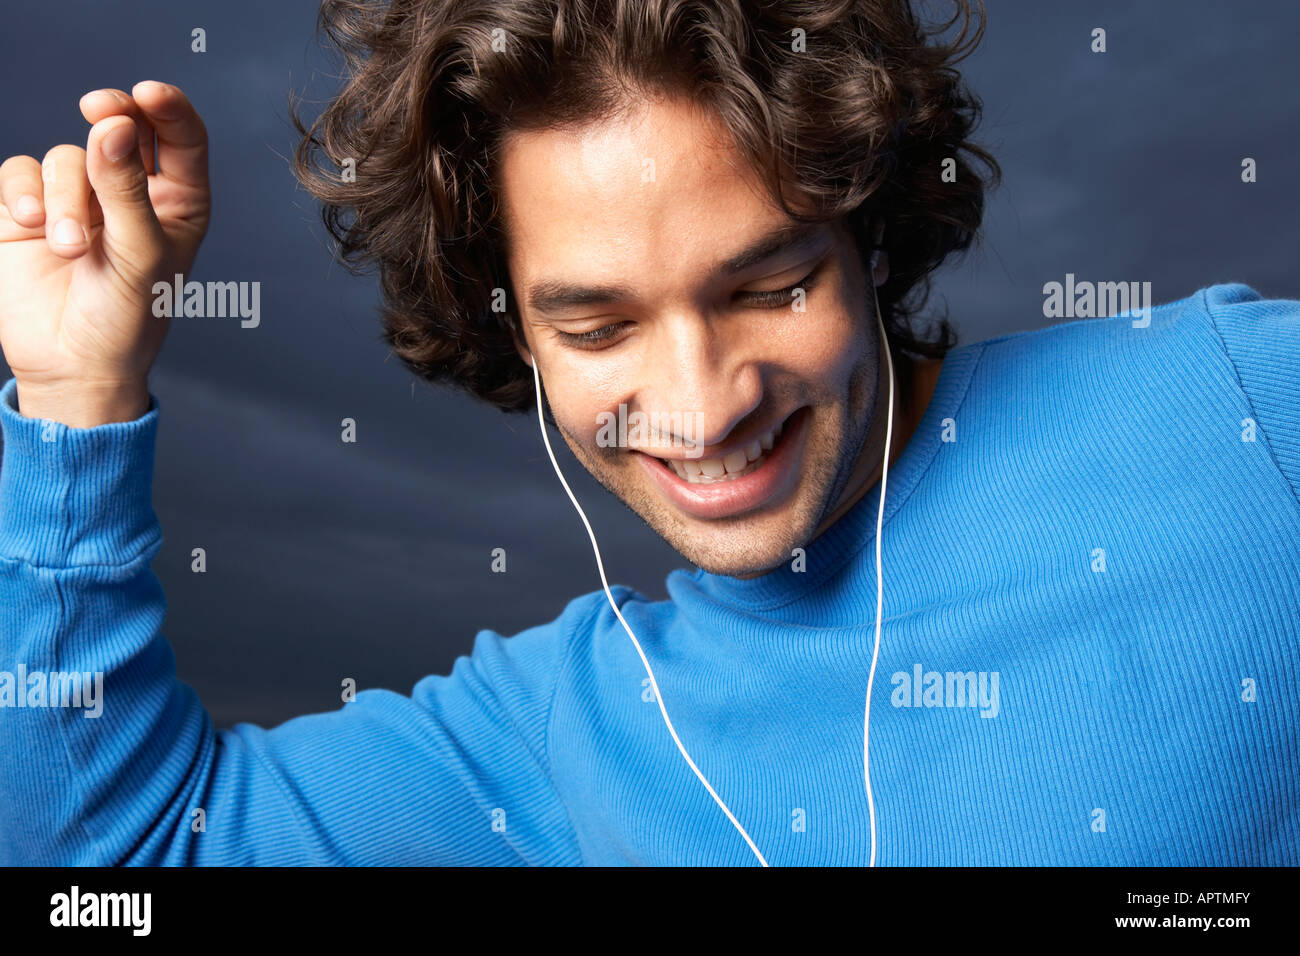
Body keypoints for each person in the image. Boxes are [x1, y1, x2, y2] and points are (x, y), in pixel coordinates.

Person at [0, 0, 1296, 866]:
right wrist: (77, 394)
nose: (705, 400)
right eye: (598, 325)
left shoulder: (1236, 409)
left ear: (870, 230)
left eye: (769, 285)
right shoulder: (555, 736)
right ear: (511, 328)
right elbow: (112, 860)